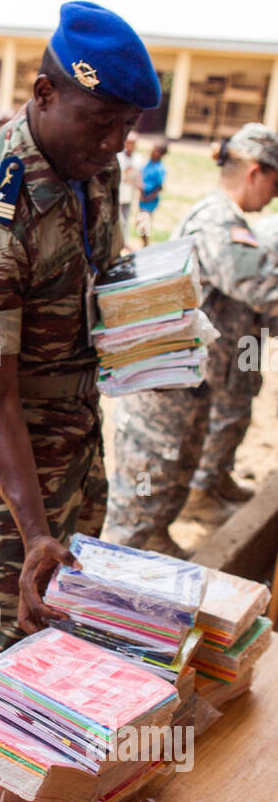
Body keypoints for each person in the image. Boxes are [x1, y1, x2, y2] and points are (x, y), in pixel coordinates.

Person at [0, 0, 160, 702]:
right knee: (10, 619)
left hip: (76, 421)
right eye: (102, 123)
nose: (117, 144)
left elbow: (100, 274)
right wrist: (32, 532)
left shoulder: (93, 162)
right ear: (45, 94)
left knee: (69, 602)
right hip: (3, 435)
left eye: (128, 126)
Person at [104, 124, 278, 552]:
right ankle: (130, 557)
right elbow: (261, 285)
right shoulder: (216, 219)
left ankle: (155, 539)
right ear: (255, 172)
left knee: (179, 466)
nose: (275, 196)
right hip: (169, 376)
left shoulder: (229, 219)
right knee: (153, 471)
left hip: (195, 374)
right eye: (276, 182)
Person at [135, 138, 168, 244]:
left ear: (161, 154)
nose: (153, 151)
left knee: (143, 223)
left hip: (150, 200)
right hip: (143, 197)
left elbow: (160, 187)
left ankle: (145, 244)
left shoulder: (160, 169)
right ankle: (144, 244)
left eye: (156, 150)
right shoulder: (147, 163)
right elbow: (140, 174)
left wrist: (149, 197)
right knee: (141, 223)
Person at [117, 130, 143, 238]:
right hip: (118, 193)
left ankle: (124, 241)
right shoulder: (118, 157)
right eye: (128, 142)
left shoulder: (138, 159)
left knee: (126, 219)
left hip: (129, 194)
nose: (130, 145)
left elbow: (138, 178)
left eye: (133, 143)